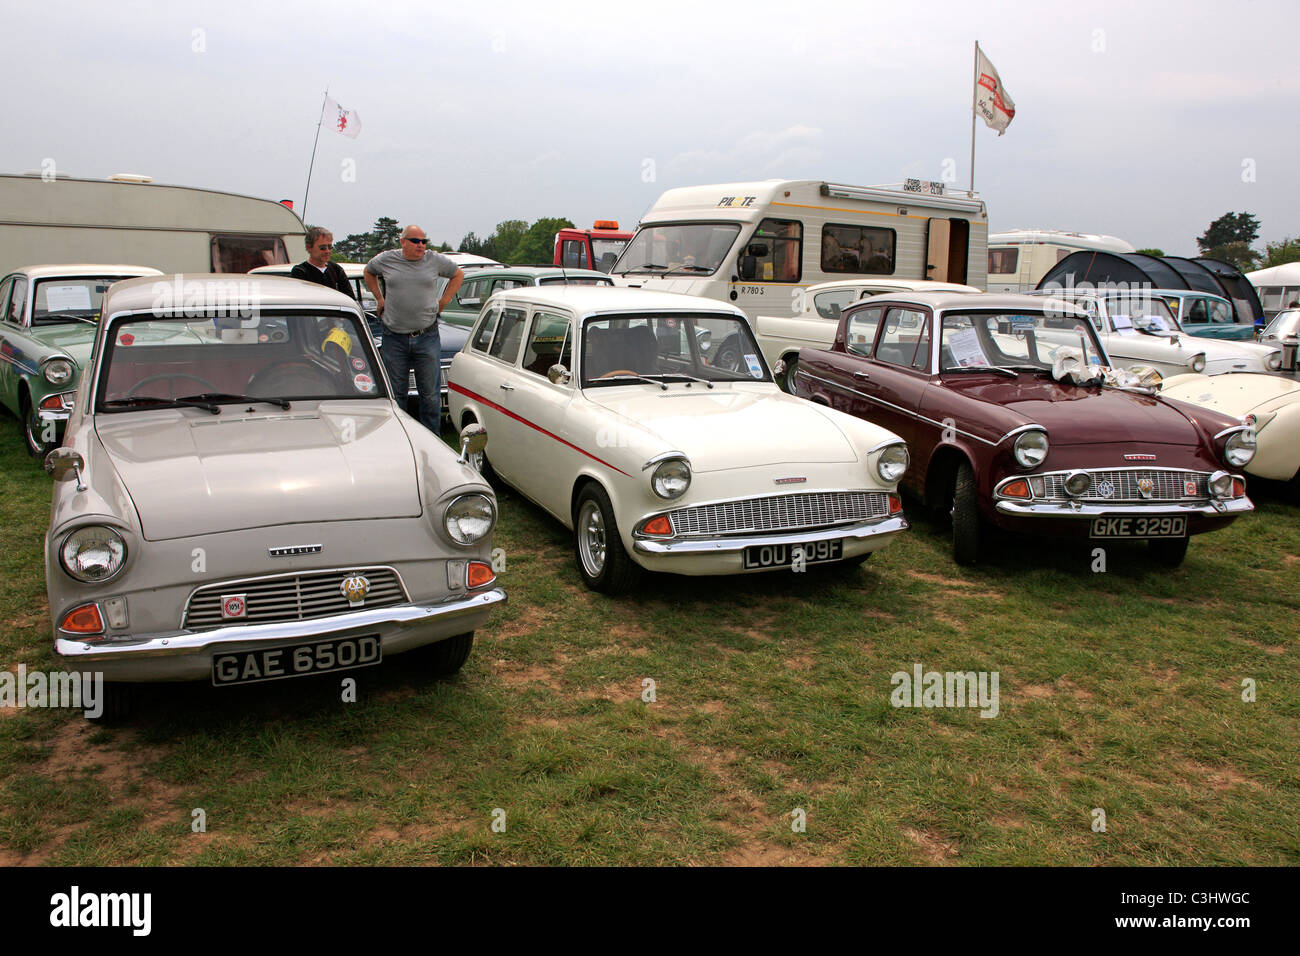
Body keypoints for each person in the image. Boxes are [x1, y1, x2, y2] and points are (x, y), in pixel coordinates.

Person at [364, 224, 463, 431]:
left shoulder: (433, 259)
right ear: (403, 242)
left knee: (430, 394)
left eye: (424, 241)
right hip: (394, 337)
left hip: (426, 335)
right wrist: (379, 299)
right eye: (416, 241)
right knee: (397, 394)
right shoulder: (387, 259)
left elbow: (457, 274)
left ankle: (432, 438)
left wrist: (443, 301)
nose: (421, 246)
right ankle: (400, 435)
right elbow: (369, 271)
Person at [290, 227, 355, 300]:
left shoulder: (337, 270)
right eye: (322, 248)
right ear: (309, 247)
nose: (327, 251)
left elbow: (350, 298)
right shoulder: (300, 272)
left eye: (330, 247)